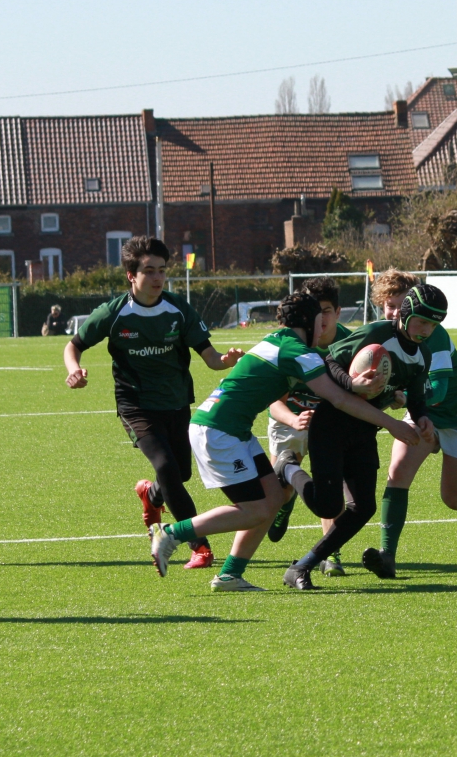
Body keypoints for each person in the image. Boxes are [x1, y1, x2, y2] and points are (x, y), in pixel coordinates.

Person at [153, 292, 421, 588]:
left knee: (273, 498)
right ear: (308, 322)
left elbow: (335, 381)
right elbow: (339, 399)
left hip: (232, 428)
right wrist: (391, 423)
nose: (323, 331)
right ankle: (172, 533)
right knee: (256, 508)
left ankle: (230, 574)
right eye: (320, 323)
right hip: (218, 431)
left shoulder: (282, 341)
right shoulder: (296, 352)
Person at [64, 236, 245, 572]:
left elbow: (210, 358)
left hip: (176, 403)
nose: (158, 278)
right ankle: (198, 545)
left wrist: (227, 359)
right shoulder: (114, 312)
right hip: (136, 404)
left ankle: (152, 496)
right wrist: (74, 370)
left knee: (180, 474)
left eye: (162, 270)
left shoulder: (178, 309)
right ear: (131, 275)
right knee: (166, 467)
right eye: (149, 271)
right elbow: (73, 346)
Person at [275, 286, 442, 590]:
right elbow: (331, 363)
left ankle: (302, 567)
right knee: (327, 506)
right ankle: (287, 467)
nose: (426, 330)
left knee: (363, 507)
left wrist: (423, 419)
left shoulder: (423, 355)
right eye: (421, 321)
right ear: (405, 313)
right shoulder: (377, 332)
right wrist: (352, 383)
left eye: (433, 325)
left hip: (365, 429)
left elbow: (415, 398)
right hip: (332, 423)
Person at [366, 274, 457, 579]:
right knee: (397, 473)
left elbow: (436, 390)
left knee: (454, 499)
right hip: (421, 411)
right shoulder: (381, 335)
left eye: (398, 306)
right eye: (389, 306)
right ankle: (388, 556)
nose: (393, 313)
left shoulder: (433, 337)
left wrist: (402, 396)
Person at [265, 276, 354, 575]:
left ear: (338, 312)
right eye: (316, 311)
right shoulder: (289, 343)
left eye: (327, 310)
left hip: (329, 423)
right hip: (289, 419)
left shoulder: (352, 344)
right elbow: (273, 401)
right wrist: (293, 419)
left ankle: (332, 554)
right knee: (278, 493)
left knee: (331, 488)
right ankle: (284, 502)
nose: (321, 318)